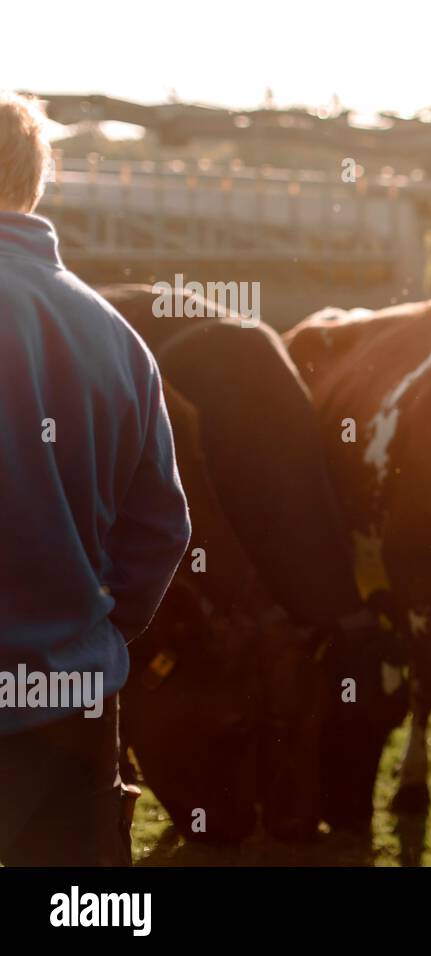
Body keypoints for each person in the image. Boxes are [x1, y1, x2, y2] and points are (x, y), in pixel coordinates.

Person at [0, 92, 192, 865]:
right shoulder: (117, 338)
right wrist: (92, 635)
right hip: (75, 699)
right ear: (36, 184)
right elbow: (162, 529)